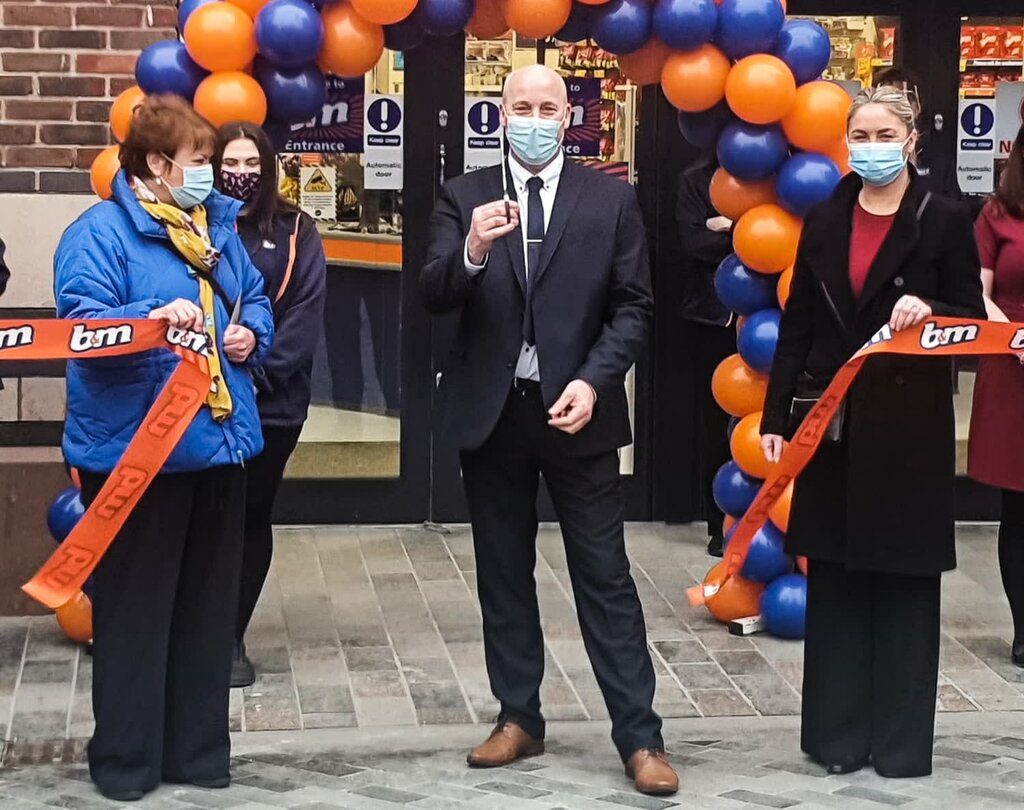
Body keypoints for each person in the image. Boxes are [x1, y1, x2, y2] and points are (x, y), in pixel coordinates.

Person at [420, 65, 675, 796]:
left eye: (546, 107)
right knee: (503, 574)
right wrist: (470, 250)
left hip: (577, 413)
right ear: (499, 113)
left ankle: (640, 737)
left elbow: (634, 307)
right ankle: (517, 717)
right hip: (493, 414)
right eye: (519, 106)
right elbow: (434, 293)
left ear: (569, 117)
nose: (533, 117)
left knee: (605, 577)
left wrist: (594, 383)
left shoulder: (611, 198)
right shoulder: (463, 195)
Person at [759, 87, 985, 778]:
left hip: (906, 434)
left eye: (885, 132)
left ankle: (899, 745)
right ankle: (835, 738)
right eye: (860, 134)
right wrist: (776, 416)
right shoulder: (826, 216)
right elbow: (797, 321)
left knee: (906, 586)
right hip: (831, 426)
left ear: (911, 141)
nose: (871, 145)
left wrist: (934, 309)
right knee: (838, 583)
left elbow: (970, 328)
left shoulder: (943, 218)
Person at [55, 95, 274, 802]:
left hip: (217, 447)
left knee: (207, 611)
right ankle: (127, 762)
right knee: (135, 613)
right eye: (201, 162)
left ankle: (199, 755)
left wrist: (251, 335)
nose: (211, 176)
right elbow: (83, 330)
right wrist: (145, 320)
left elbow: (254, 299)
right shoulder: (99, 234)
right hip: (135, 456)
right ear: (156, 164)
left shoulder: (216, 231)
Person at [214, 122, 327, 688]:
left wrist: (256, 372)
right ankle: (194, 630)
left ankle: (231, 636)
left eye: (253, 163)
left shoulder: (296, 230)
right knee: (205, 517)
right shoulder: (191, 224)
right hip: (197, 404)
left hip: (271, 403)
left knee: (250, 517)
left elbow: (304, 316)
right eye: (232, 161)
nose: (243, 173)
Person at [968, 123, 1024, 667]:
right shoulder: (995, 215)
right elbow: (978, 291)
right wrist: (1013, 337)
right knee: (1019, 507)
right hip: (1011, 365)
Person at [676, 155, 735, 557]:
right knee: (717, 425)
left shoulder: (779, 173)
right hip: (713, 319)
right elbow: (693, 242)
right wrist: (747, 236)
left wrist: (733, 228)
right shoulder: (695, 180)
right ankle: (720, 525)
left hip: (773, 320)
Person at [874, 67, 961, 201]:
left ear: (918, 107)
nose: (898, 108)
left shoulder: (936, 155)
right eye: (888, 101)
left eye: (906, 99)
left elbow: (954, 205)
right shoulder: (866, 151)